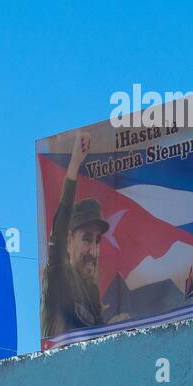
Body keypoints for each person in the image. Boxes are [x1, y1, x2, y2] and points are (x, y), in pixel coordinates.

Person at [41, 131, 109, 341]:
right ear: (69, 241)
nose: (94, 251)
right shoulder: (59, 276)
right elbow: (59, 228)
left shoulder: (92, 293)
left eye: (97, 241)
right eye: (87, 239)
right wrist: (74, 165)